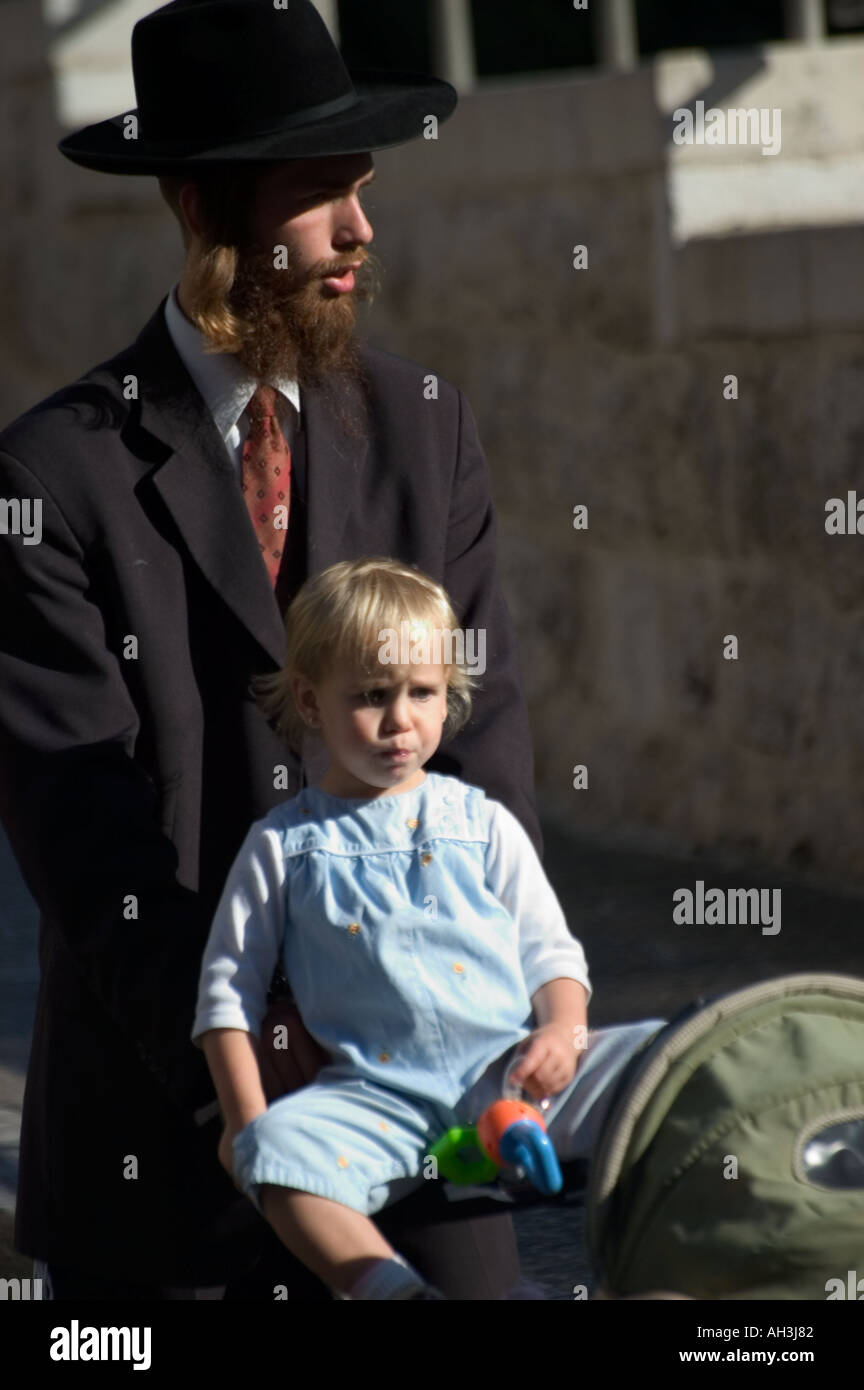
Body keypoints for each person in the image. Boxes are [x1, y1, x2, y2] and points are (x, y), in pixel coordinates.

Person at [0, 0, 541, 1298]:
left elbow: (486, 747)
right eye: (318, 195)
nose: (362, 231)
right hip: (165, 1146)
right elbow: (85, 832)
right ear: (201, 207)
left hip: (435, 1126)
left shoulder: (425, 427)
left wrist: (467, 1031)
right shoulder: (49, 473)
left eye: (361, 189)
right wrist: (261, 1074)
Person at [193, 557, 664, 1300]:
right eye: (372, 696)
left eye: (423, 693)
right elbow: (227, 995)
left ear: (450, 697)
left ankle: (676, 1278)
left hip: (514, 1079)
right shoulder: (283, 847)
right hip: (373, 1099)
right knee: (276, 1152)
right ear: (311, 703)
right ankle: (384, 1286)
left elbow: (551, 954)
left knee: (668, 1065)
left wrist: (562, 1036)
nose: (400, 720)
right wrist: (244, 1122)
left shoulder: (480, 823)